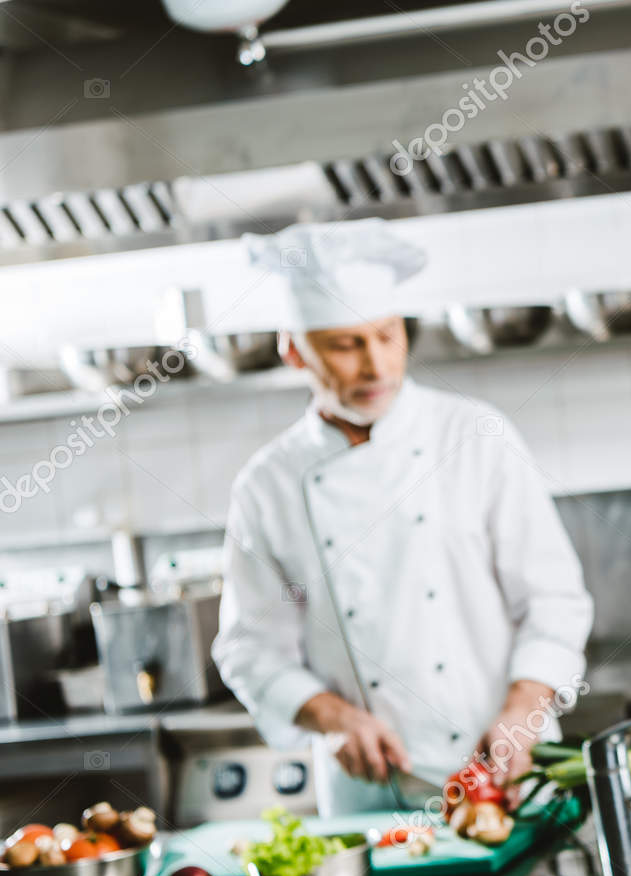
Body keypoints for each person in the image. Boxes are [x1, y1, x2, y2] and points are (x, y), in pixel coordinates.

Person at [213, 219, 592, 816]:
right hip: (375, 799)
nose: (375, 366)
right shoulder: (268, 485)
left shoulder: (475, 436)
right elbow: (250, 648)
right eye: (345, 345)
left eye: (388, 336)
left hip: (511, 772)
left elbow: (554, 600)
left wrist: (525, 707)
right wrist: (332, 718)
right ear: (294, 349)